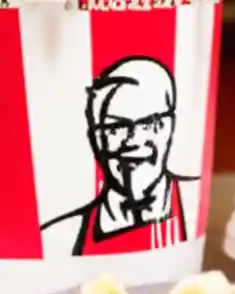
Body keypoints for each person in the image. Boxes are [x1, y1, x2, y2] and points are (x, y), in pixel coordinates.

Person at [41, 56, 194, 257]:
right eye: (116, 128)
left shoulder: (197, 206)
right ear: (96, 139)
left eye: (150, 123)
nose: (134, 140)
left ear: (171, 127)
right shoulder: (59, 238)